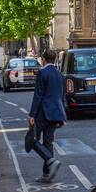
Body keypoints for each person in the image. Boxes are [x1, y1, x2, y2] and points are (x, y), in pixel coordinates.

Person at [27, 47, 68, 184]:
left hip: (42, 113)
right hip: (56, 113)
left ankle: (51, 160)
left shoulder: (42, 73)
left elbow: (38, 95)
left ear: (43, 60)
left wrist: (32, 114)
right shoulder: (60, 75)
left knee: (32, 140)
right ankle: (47, 174)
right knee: (48, 142)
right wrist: (63, 116)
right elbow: (62, 97)